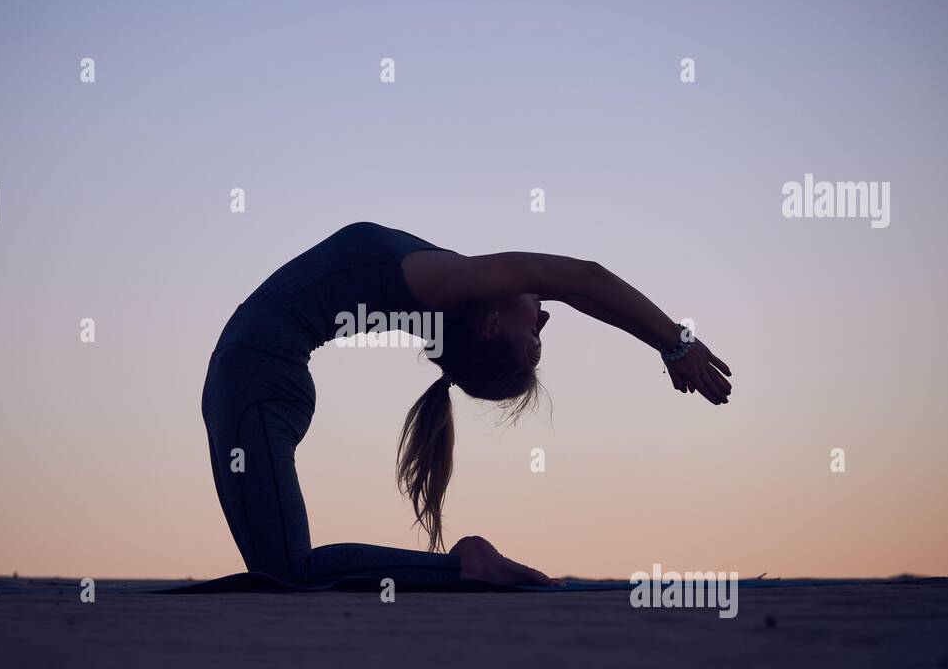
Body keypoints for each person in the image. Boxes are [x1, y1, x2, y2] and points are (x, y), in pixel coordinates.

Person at [201, 222, 731, 587]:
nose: (544, 320)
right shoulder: (444, 284)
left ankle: (469, 567)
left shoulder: (444, 287)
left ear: (492, 324)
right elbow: (579, 281)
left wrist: (673, 343)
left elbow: (577, 280)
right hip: (253, 380)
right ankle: (465, 569)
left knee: (283, 574)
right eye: (539, 334)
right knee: (280, 570)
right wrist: (671, 340)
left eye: (534, 339)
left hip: (255, 381)